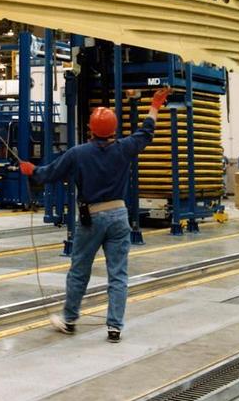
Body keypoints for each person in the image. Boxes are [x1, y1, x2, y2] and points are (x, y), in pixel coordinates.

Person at [19, 87, 170, 343]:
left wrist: (31, 170)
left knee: (80, 271)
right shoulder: (124, 148)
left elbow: (48, 174)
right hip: (119, 217)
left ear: (90, 129)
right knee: (118, 274)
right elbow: (146, 132)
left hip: (91, 219)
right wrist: (154, 105)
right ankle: (114, 327)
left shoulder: (78, 154)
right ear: (113, 128)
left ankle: (69, 319)